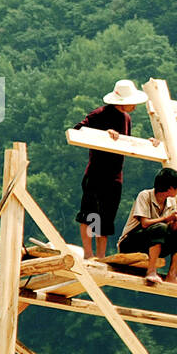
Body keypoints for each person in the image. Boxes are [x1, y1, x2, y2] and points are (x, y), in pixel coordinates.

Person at [73, 80, 146, 260]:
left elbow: (127, 143)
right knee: (90, 214)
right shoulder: (100, 114)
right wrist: (104, 134)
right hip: (96, 173)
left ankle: (101, 255)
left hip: (115, 176)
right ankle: (89, 254)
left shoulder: (126, 119)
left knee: (105, 218)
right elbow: (78, 129)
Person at [119, 166, 177, 286]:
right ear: (170, 188)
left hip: (155, 242)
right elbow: (145, 223)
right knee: (160, 228)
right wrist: (167, 219)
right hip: (131, 243)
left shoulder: (171, 202)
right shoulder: (145, 196)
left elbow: (168, 229)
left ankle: (171, 276)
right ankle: (151, 271)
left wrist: (174, 223)